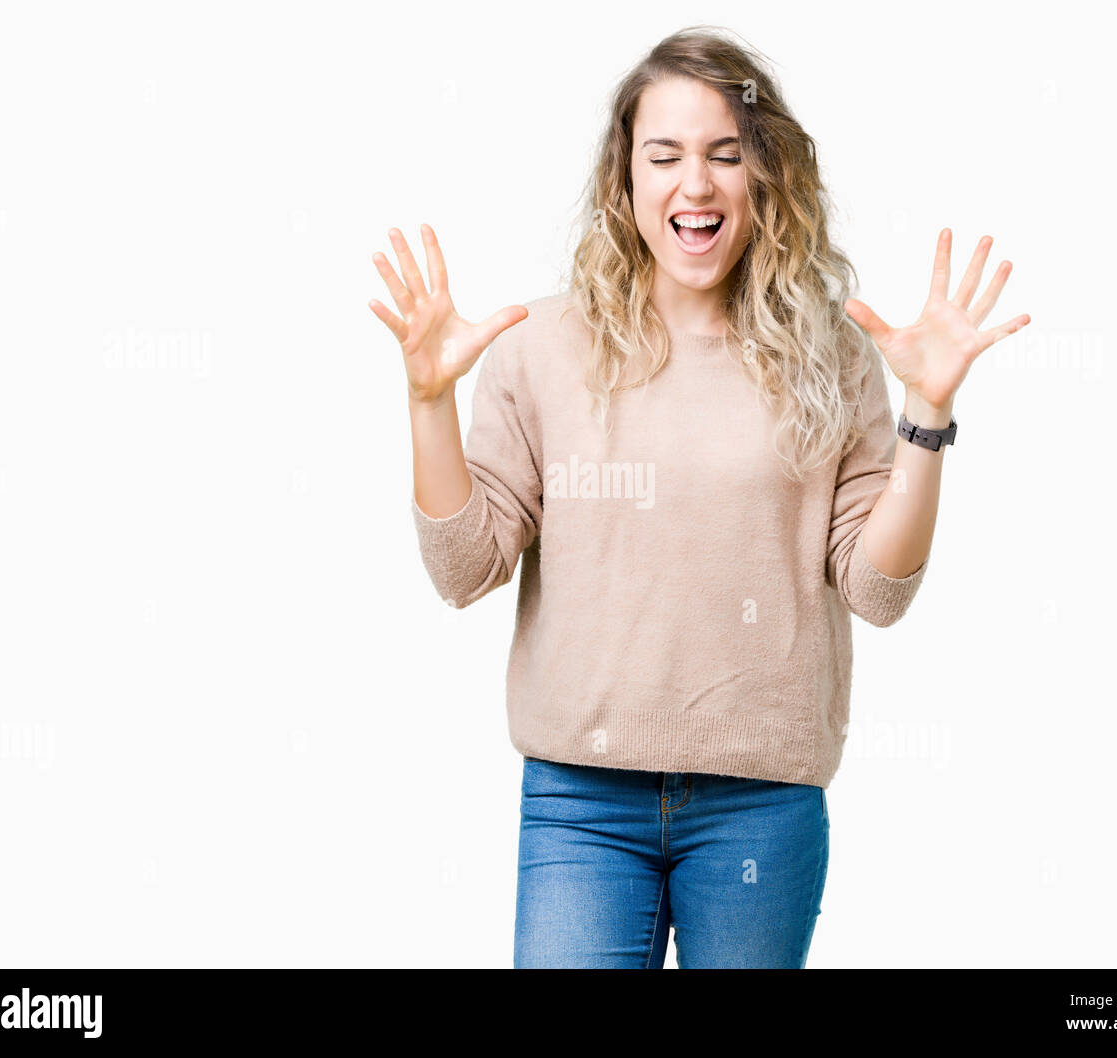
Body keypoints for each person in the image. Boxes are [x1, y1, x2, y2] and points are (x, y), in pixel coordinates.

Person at [368, 26, 1028, 969]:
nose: (697, 183)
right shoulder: (538, 350)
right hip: (580, 803)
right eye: (665, 155)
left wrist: (928, 411)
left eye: (727, 155)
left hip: (761, 802)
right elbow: (463, 568)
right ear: (623, 180)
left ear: (764, 177)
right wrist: (428, 401)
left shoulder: (832, 354)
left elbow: (878, 591)